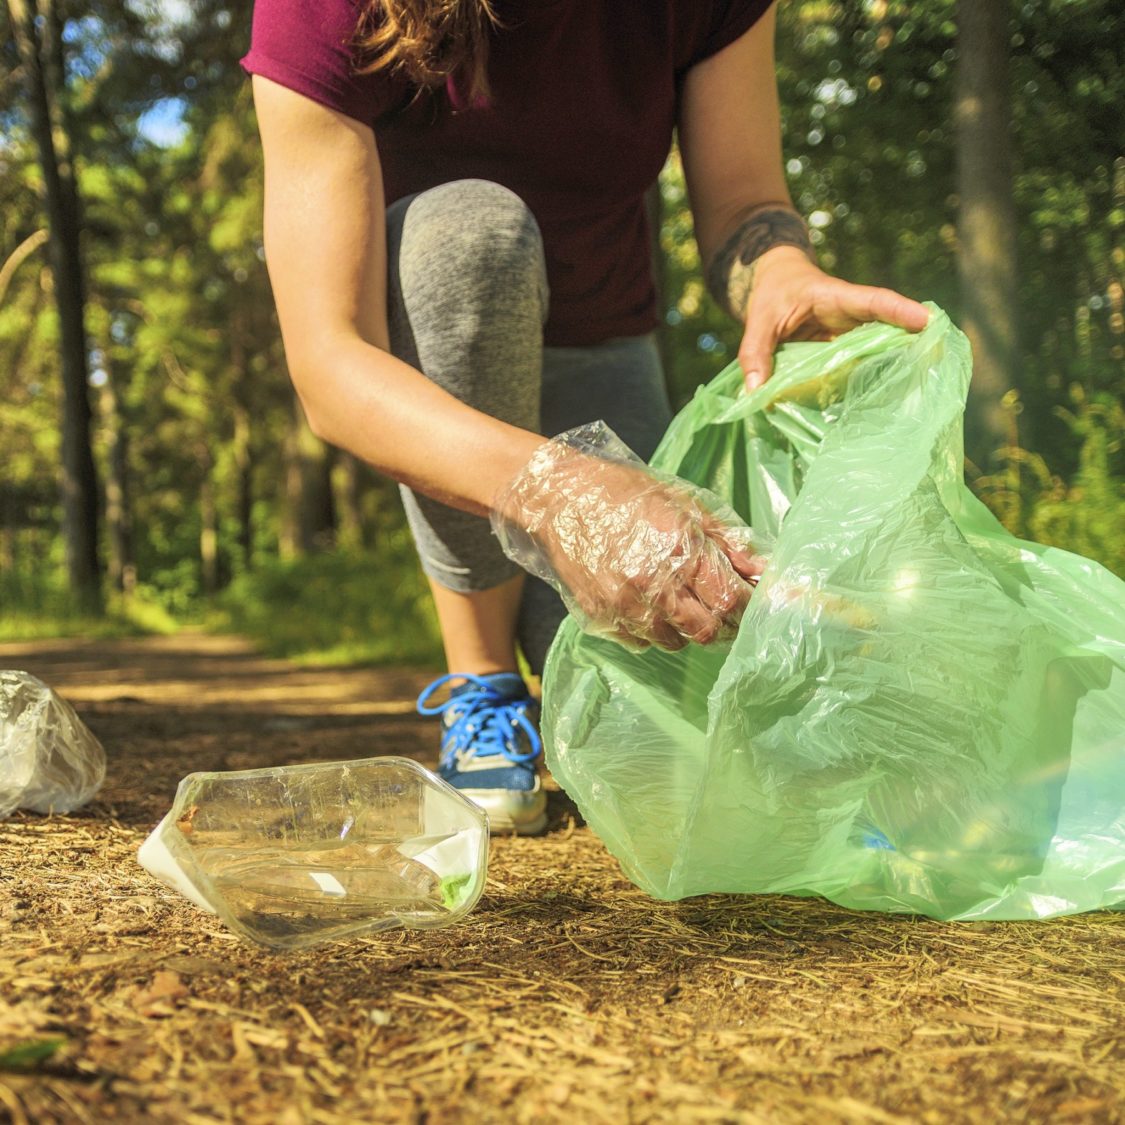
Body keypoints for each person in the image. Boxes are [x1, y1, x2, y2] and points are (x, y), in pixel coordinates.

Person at [239, 0, 928, 835]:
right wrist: (560, 493)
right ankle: (483, 679)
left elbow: (745, 202)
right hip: (434, 370)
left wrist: (779, 271)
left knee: (667, 712)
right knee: (471, 236)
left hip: (604, 340)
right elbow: (330, 364)